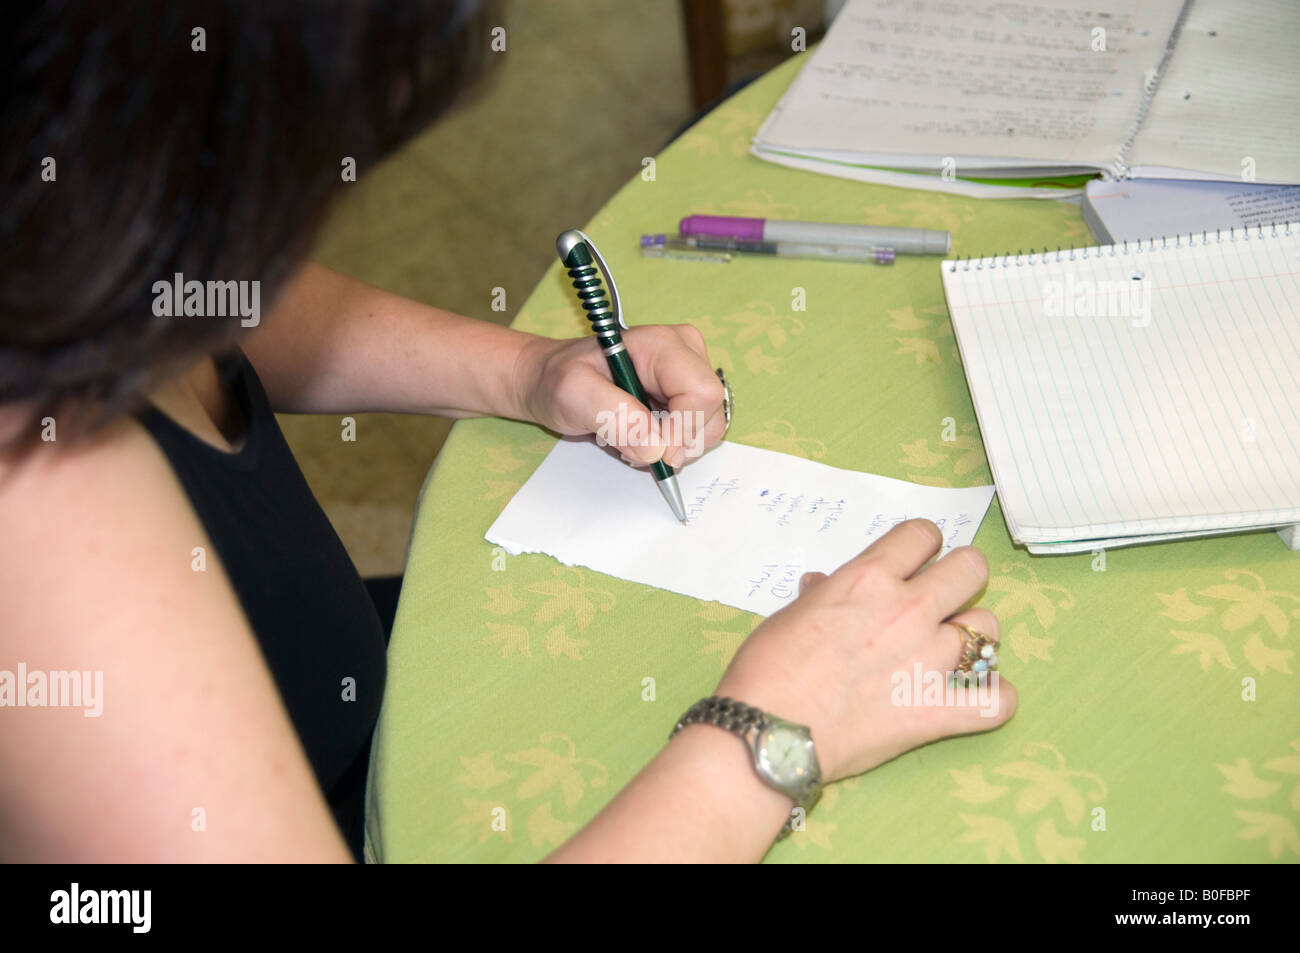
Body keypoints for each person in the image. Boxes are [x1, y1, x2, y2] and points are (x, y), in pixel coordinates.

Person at [0, 0, 1016, 863]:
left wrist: (528, 371)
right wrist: (768, 737)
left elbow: (207, 289)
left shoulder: (63, 230)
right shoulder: (38, 484)